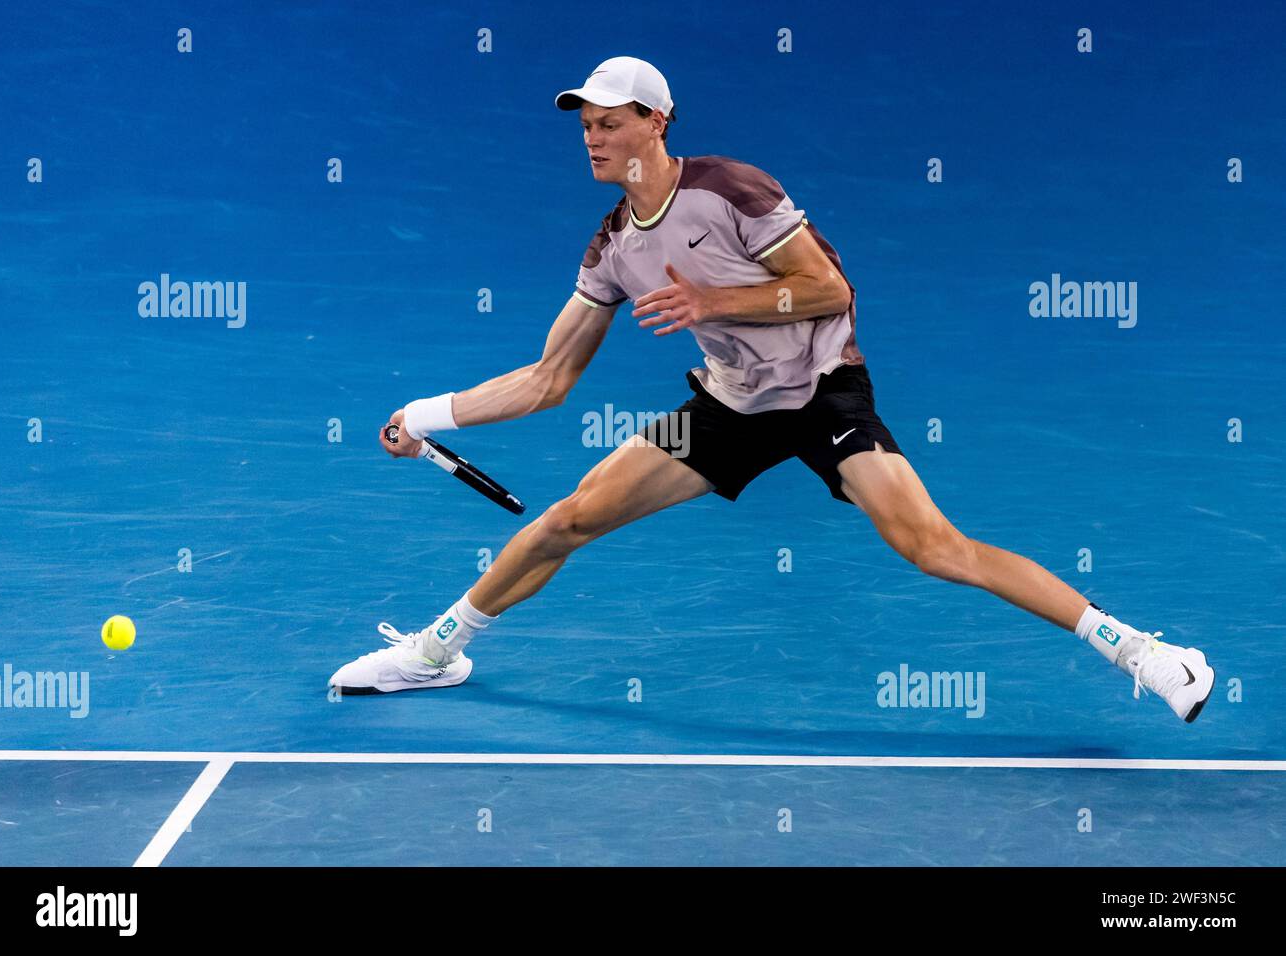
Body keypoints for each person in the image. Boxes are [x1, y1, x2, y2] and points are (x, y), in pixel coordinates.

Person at [330, 56, 1215, 723]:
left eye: (608, 121)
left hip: (825, 396)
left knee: (935, 548)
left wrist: (715, 298)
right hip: (727, 409)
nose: (592, 137)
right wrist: (426, 413)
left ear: (656, 121)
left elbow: (832, 289)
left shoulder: (732, 190)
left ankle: (1143, 650)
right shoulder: (612, 244)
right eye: (585, 125)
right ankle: (435, 652)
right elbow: (549, 378)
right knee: (566, 520)